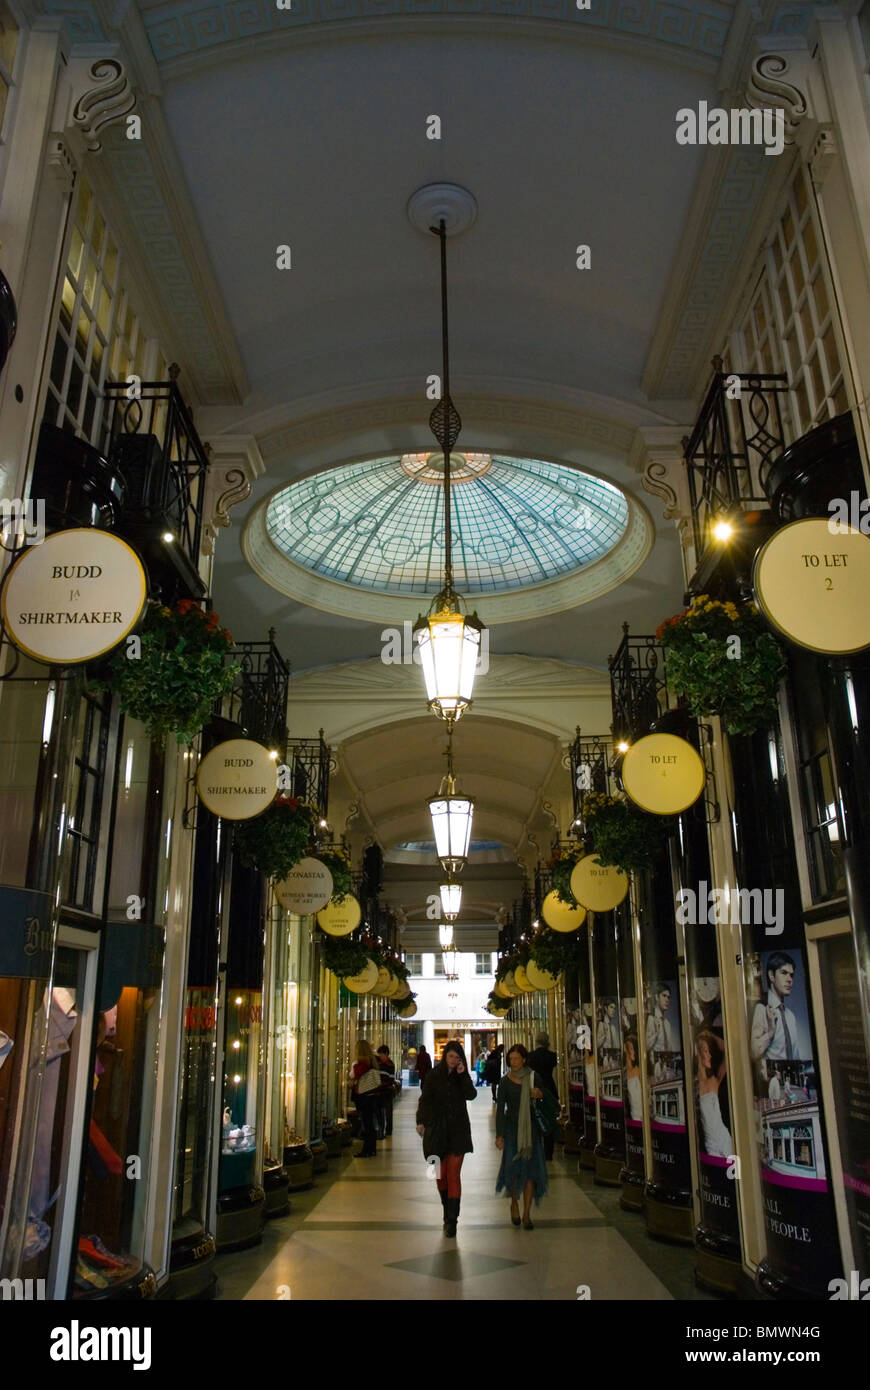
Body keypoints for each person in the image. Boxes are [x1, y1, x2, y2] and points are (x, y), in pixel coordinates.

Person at [415, 1040, 476, 1237]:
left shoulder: (461, 1076)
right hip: (437, 1132)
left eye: (457, 1058)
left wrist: (463, 1074)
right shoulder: (434, 1076)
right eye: (450, 1056)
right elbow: (424, 1100)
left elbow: (471, 1095)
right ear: (444, 1056)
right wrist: (421, 1121)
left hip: (458, 1132)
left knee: (453, 1174)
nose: (453, 1060)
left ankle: (452, 1220)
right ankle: (446, 1208)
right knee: (440, 1176)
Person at [494, 1043, 548, 1229]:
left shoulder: (533, 1077)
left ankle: (527, 1214)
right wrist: (499, 1135)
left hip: (531, 1131)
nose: (513, 1062)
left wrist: (539, 1095)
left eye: (517, 1059)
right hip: (512, 1130)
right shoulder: (505, 1081)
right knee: (514, 1171)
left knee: (530, 1173)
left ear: (524, 1059)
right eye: (511, 1059)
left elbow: (548, 1098)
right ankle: (514, 1204)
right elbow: (500, 1110)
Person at [750, 953, 810, 1062]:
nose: (789, 980)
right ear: (771, 975)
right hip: (772, 1078)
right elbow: (753, 1052)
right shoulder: (761, 1009)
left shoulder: (790, 1016)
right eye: (784, 973)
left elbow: (796, 1057)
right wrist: (770, 1033)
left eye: (791, 975)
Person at [695, 1031, 732, 1157]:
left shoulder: (714, 1081)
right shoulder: (694, 1085)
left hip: (724, 1140)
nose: (710, 1055)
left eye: (710, 1051)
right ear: (698, 1054)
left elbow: (728, 1049)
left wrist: (711, 1035)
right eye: (706, 1051)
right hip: (710, 1144)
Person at [527, 1031, 558, 1160]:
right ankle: (548, 1152)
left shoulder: (531, 1056)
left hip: (535, 1088)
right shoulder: (551, 1056)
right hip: (549, 1088)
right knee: (549, 1119)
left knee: (536, 1118)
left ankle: (537, 1149)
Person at [351, 1040, 380, 1158]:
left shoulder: (363, 1062)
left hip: (364, 1097)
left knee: (366, 1124)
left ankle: (367, 1149)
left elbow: (354, 1075)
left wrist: (354, 1065)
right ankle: (372, 1149)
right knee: (369, 1124)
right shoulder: (372, 1061)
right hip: (371, 1096)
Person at [376, 1044, 396, 1138]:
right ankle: (381, 1130)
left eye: (382, 1055)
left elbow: (391, 1079)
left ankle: (388, 1131)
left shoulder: (390, 1064)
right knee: (381, 1112)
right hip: (380, 1092)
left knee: (388, 1113)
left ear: (387, 1054)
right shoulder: (378, 1064)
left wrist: (384, 1084)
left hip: (387, 1092)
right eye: (379, 1055)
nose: (381, 1057)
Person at [624, 1035, 642, 1121]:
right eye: (629, 1048)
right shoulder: (623, 1072)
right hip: (628, 1117)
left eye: (632, 1048)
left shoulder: (638, 1071)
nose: (633, 1051)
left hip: (639, 1117)